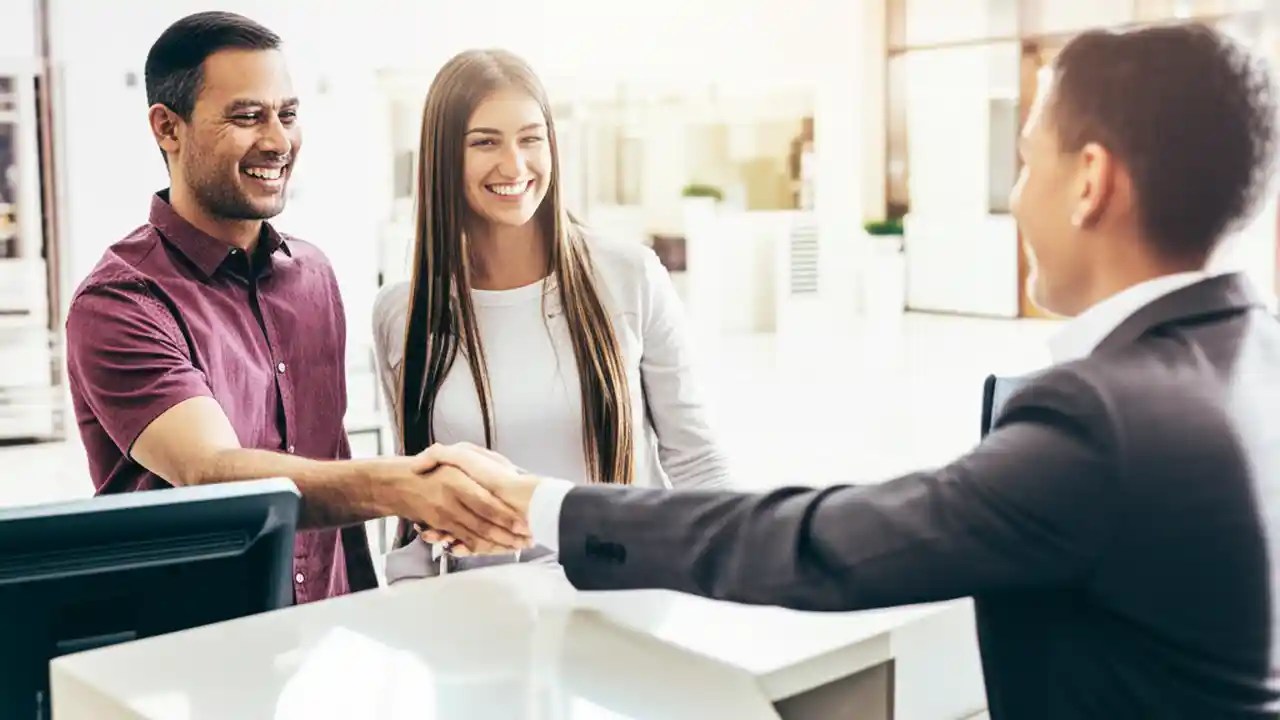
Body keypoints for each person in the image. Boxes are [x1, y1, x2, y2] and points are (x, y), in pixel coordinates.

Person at [423, 24, 1280, 718]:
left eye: (1025, 161)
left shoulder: (1102, 419)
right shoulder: (1255, 357)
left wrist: (538, 502)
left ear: (1089, 181)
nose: (1016, 197)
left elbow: (828, 544)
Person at [63, 12, 527, 605]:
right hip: (185, 654)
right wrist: (411, 487)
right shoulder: (123, 301)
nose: (278, 141)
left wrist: (364, 606)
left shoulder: (312, 277)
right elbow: (211, 473)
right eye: (247, 116)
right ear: (166, 128)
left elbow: (329, 456)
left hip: (322, 643)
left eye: (287, 115)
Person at [372, 49, 730, 579]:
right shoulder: (403, 312)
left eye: (530, 138)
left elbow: (696, 460)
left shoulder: (629, 276)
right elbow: (418, 495)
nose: (514, 165)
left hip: (621, 597)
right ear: (444, 157)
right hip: (473, 615)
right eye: (485, 142)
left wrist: (741, 572)